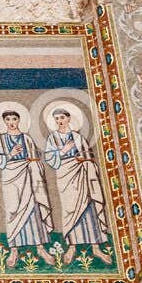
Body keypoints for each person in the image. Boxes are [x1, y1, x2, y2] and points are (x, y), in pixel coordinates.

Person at [0, 108, 56, 268]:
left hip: (29, 177)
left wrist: (34, 163)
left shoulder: (26, 138)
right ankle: (14, 249)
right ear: (4, 122)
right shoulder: (2, 139)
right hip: (11, 178)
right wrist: (10, 155)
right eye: (8, 119)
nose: (11, 122)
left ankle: (40, 248)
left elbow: (36, 157)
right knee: (12, 211)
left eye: (14, 119)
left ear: (19, 120)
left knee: (33, 210)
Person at [43, 107, 110, 264]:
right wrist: (62, 151)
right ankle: (72, 246)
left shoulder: (79, 138)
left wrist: (83, 159)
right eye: (57, 118)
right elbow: (49, 158)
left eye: (62, 117)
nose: (59, 121)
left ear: (68, 119)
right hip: (65, 175)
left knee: (89, 207)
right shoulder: (52, 138)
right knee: (69, 209)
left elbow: (89, 156)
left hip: (82, 173)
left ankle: (96, 248)